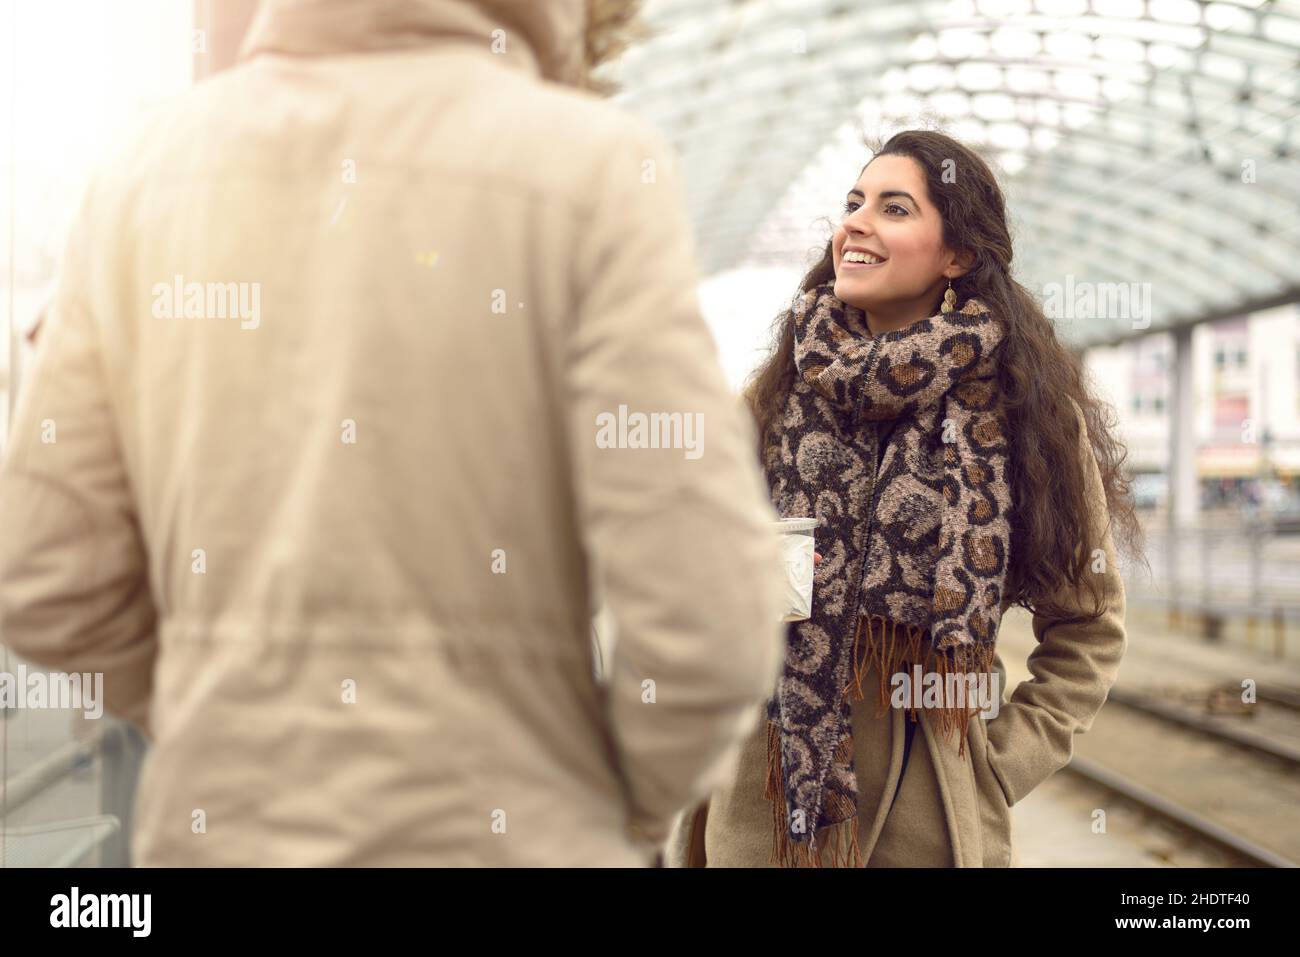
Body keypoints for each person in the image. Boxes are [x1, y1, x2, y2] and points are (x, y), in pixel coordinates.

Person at [0, 0, 787, 866]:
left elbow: (45, 571)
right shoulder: (587, 170)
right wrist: (603, 811)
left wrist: (223, 720)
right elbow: (708, 614)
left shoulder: (144, 178)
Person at [667, 129, 1140, 868]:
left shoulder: (1025, 416)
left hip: (926, 823)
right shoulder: (775, 400)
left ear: (956, 256)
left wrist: (993, 767)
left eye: (893, 208)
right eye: (853, 203)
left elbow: (1088, 626)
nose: (855, 222)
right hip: (764, 807)